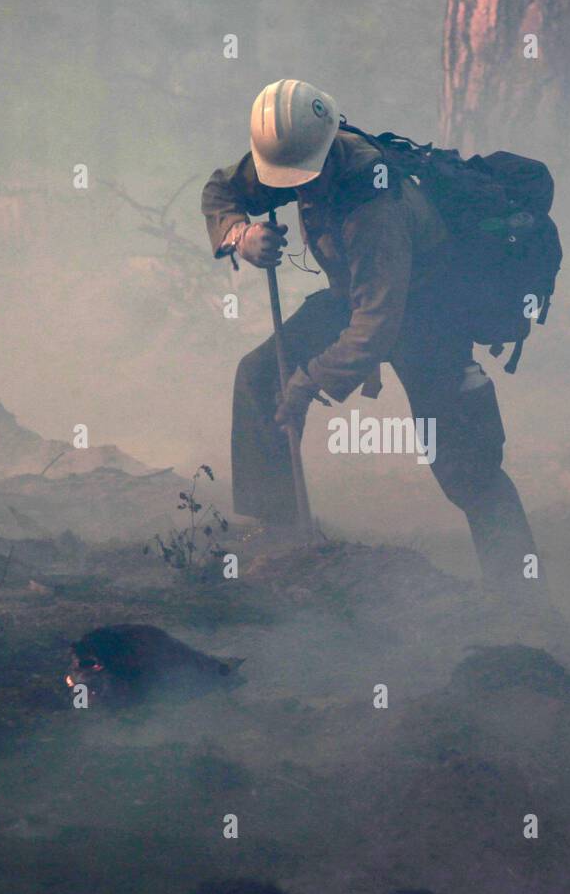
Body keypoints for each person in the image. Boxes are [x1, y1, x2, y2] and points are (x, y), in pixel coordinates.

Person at [201, 79, 540, 590]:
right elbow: (221, 190)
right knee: (259, 377)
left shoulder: (373, 204)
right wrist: (241, 236)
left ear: (328, 149)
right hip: (355, 295)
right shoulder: (292, 153)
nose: (299, 189)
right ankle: (282, 537)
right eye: (287, 178)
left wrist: (308, 381)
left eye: (305, 178)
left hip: (427, 314)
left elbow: (375, 328)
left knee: (466, 466)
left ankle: (522, 594)